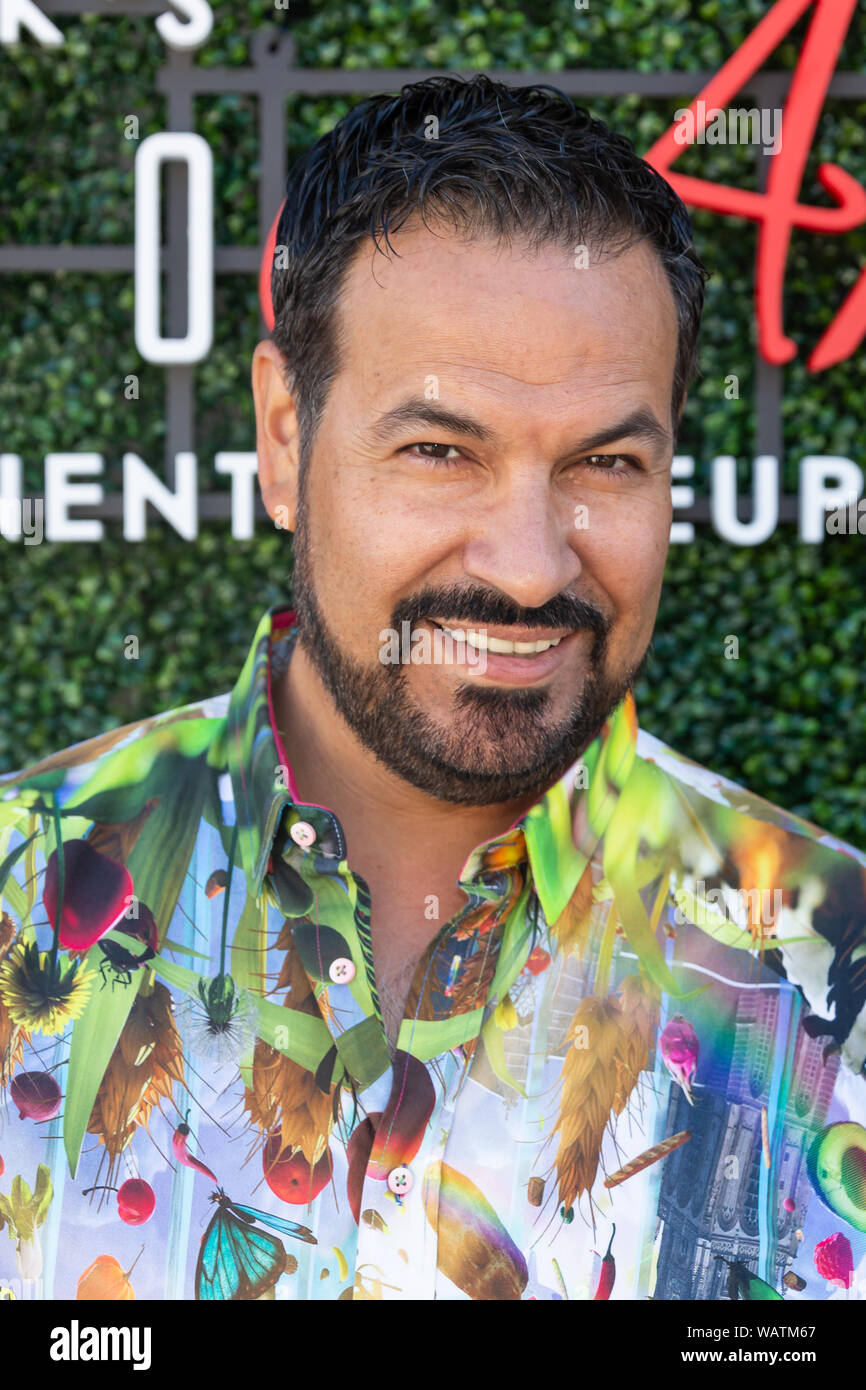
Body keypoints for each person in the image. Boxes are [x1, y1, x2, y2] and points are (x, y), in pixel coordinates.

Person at [1, 74, 864, 1303]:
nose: (527, 565)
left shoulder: (836, 975)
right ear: (284, 439)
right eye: (439, 451)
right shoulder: (13, 910)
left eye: (604, 462)